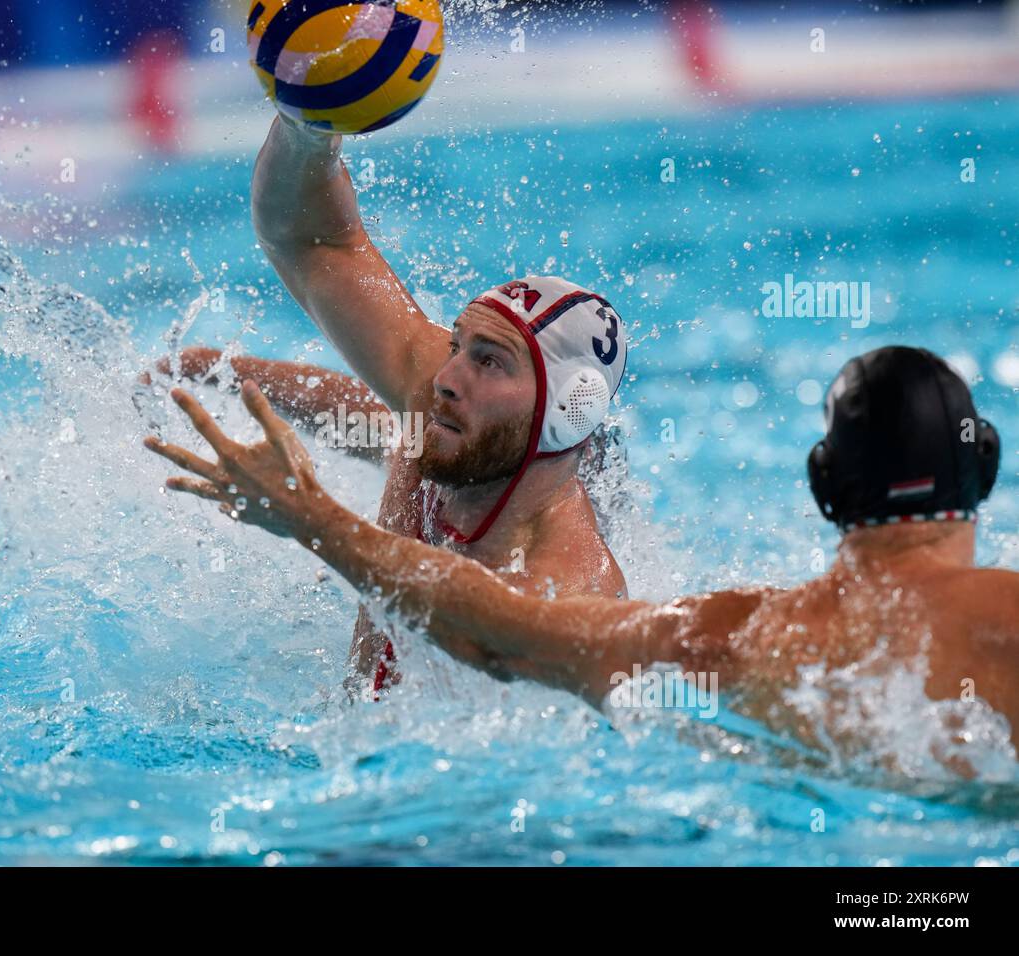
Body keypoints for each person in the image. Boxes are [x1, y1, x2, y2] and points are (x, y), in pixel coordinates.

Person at [144, 345, 1019, 762]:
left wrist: (311, 518)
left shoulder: (733, 636)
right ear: (981, 470)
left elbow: (497, 632)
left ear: (827, 484)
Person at [150, 114, 632, 695]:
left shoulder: (576, 585)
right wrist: (310, 121)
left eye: (489, 361)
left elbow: (484, 636)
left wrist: (307, 517)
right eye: (457, 346)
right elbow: (311, 237)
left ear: (568, 411)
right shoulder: (451, 418)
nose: (446, 378)